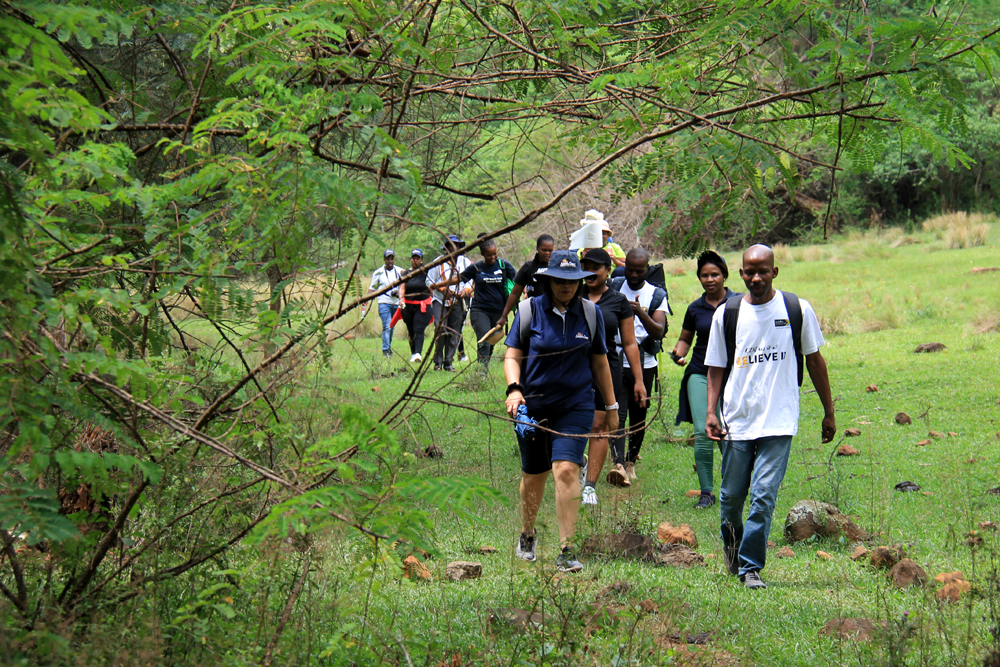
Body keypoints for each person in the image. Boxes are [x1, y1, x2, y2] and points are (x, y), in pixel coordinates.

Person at [704, 244, 836, 590]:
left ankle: (751, 567)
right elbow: (715, 366)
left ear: (774, 272)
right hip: (736, 420)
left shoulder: (796, 309)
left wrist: (829, 412)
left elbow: (815, 361)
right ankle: (733, 550)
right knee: (731, 497)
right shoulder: (727, 314)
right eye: (750, 271)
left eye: (763, 271)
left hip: (778, 421)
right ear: (741, 273)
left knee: (763, 496)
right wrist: (711, 412)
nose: (757, 277)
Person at [504, 250, 619, 573]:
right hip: (533, 406)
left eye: (572, 281)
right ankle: (527, 533)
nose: (565, 286)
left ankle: (567, 549)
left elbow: (600, 363)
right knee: (535, 474)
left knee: (567, 469)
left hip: (576, 405)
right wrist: (514, 389)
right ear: (548, 281)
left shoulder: (590, 313)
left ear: (580, 282)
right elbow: (512, 356)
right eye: (559, 281)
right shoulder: (528, 311)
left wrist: (611, 407)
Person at [669, 251, 740, 509]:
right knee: (703, 430)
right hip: (700, 372)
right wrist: (678, 354)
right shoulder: (694, 308)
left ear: (724, 276)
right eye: (704, 275)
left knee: (730, 431)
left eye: (715, 274)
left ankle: (734, 488)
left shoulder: (739, 303)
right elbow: (685, 339)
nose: (709, 279)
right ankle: (706, 492)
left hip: (734, 373)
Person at [579, 249, 646, 506]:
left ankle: (590, 487)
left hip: (607, 369)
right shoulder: (571, 295)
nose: (590, 272)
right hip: (573, 368)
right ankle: (579, 461)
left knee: (600, 426)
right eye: (586, 266)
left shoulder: (618, 301)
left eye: (596, 267)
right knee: (570, 424)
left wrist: (638, 380)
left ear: (608, 271)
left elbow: (629, 343)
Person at [606, 248, 668, 486]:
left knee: (638, 414)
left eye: (638, 271)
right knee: (618, 413)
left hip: (644, 362)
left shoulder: (656, 294)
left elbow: (659, 331)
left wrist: (640, 312)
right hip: (615, 359)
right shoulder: (614, 287)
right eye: (629, 270)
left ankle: (631, 461)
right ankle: (618, 464)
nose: (633, 275)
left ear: (647, 269)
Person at [433, 235, 516, 368]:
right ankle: (482, 371)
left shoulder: (503, 265)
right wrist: (438, 285)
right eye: (489, 255)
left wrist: (526, 292)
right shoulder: (476, 267)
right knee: (483, 340)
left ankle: (484, 364)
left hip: (499, 311)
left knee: (491, 342)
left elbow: (518, 280)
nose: (493, 257)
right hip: (480, 310)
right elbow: (458, 278)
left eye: (494, 254)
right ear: (482, 254)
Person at [425, 235, 472, 371]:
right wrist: (441, 289)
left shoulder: (465, 262)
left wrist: (465, 291)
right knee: (441, 328)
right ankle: (437, 362)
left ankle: (448, 362)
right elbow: (429, 281)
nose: (454, 248)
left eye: (456, 245)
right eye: (451, 245)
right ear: (445, 248)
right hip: (440, 300)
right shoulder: (438, 262)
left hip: (457, 300)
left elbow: (470, 280)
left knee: (454, 331)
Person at [497, 234, 554, 326]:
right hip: (533, 312)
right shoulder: (528, 267)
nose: (547, 253)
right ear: (537, 248)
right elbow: (515, 293)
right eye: (544, 250)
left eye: (550, 250)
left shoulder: (556, 267)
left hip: (553, 313)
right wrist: (504, 316)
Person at [397, 249, 434, 362]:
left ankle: (418, 353)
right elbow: (402, 288)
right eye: (413, 258)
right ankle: (413, 353)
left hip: (423, 306)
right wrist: (401, 299)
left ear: (421, 260)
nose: (415, 260)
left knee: (418, 328)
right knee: (411, 330)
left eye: (417, 258)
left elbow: (431, 286)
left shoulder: (426, 272)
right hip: (408, 306)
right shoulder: (406, 273)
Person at [366, 249, 402, 357]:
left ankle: (388, 347)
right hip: (384, 302)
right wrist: (365, 300)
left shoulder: (399, 271)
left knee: (392, 326)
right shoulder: (378, 272)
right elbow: (372, 288)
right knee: (387, 326)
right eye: (388, 259)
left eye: (392, 258)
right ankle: (386, 350)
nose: (390, 261)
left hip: (395, 302)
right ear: (384, 259)